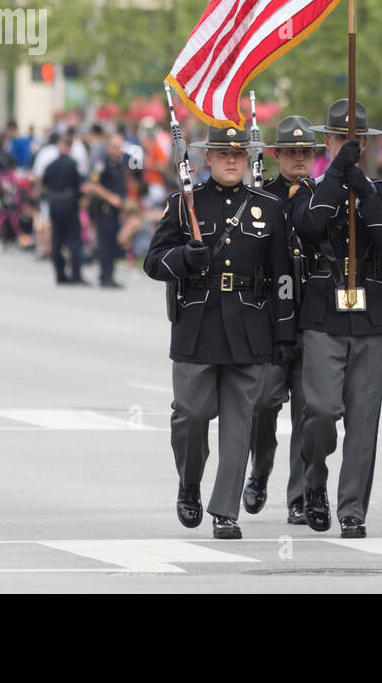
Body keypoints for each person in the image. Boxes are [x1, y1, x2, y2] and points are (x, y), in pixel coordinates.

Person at [143, 124, 295, 539]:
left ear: (247, 158)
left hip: (250, 329)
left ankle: (225, 511)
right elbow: (153, 263)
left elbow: (282, 276)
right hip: (198, 325)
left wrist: (284, 335)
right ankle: (189, 481)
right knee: (190, 414)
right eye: (223, 154)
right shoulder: (184, 204)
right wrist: (183, 258)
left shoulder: (267, 207)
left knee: (238, 425)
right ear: (208, 158)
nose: (231, 160)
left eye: (239, 154)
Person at [292, 100, 382, 538]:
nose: (347, 147)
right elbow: (312, 226)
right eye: (340, 140)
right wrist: (338, 175)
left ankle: (353, 508)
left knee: (363, 418)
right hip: (324, 311)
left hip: (371, 313)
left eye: (355, 142)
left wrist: (364, 187)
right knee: (320, 410)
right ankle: (314, 482)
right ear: (329, 141)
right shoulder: (309, 190)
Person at [242, 115, 320, 526]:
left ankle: (301, 495)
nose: (299, 158)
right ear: (275, 155)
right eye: (291, 152)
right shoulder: (260, 196)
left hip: (312, 317)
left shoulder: (322, 196)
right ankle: (259, 469)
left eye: (306, 151)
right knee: (263, 404)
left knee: (309, 411)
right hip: (272, 317)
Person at [85, 131, 129, 288]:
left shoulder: (117, 163)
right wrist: (110, 198)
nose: (119, 151)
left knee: (112, 242)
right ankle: (105, 276)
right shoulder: (101, 162)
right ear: (109, 147)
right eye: (116, 147)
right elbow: (92, 185)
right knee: (105, 242)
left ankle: (110, 274)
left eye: (120, 147)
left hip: (115, 209)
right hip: (104, 208)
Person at [41, 134, 87, 285]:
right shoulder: (73, 164)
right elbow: (80, 184)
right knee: (74, 240)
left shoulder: (51, 165)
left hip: (54, 203)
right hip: (69, 204)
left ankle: (60, 274)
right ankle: (75, 274)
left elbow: (44, 183)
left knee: (57, 240)